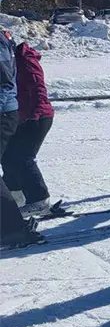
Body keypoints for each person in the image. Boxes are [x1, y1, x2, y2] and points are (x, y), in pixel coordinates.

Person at [0, 28, 42, 247]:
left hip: (2, 112)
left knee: (17, 158)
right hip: (6, 110)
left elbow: (4, 77)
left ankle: (12, 228)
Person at [3, 39, 55, 215]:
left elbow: (37, 87)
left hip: (38, 117)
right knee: (8, 156)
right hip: (22, 117)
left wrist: (35, 112)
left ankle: (39, 200)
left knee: (23, 157)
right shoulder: (11, 60)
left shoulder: (24, 59)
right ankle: (15, 197)